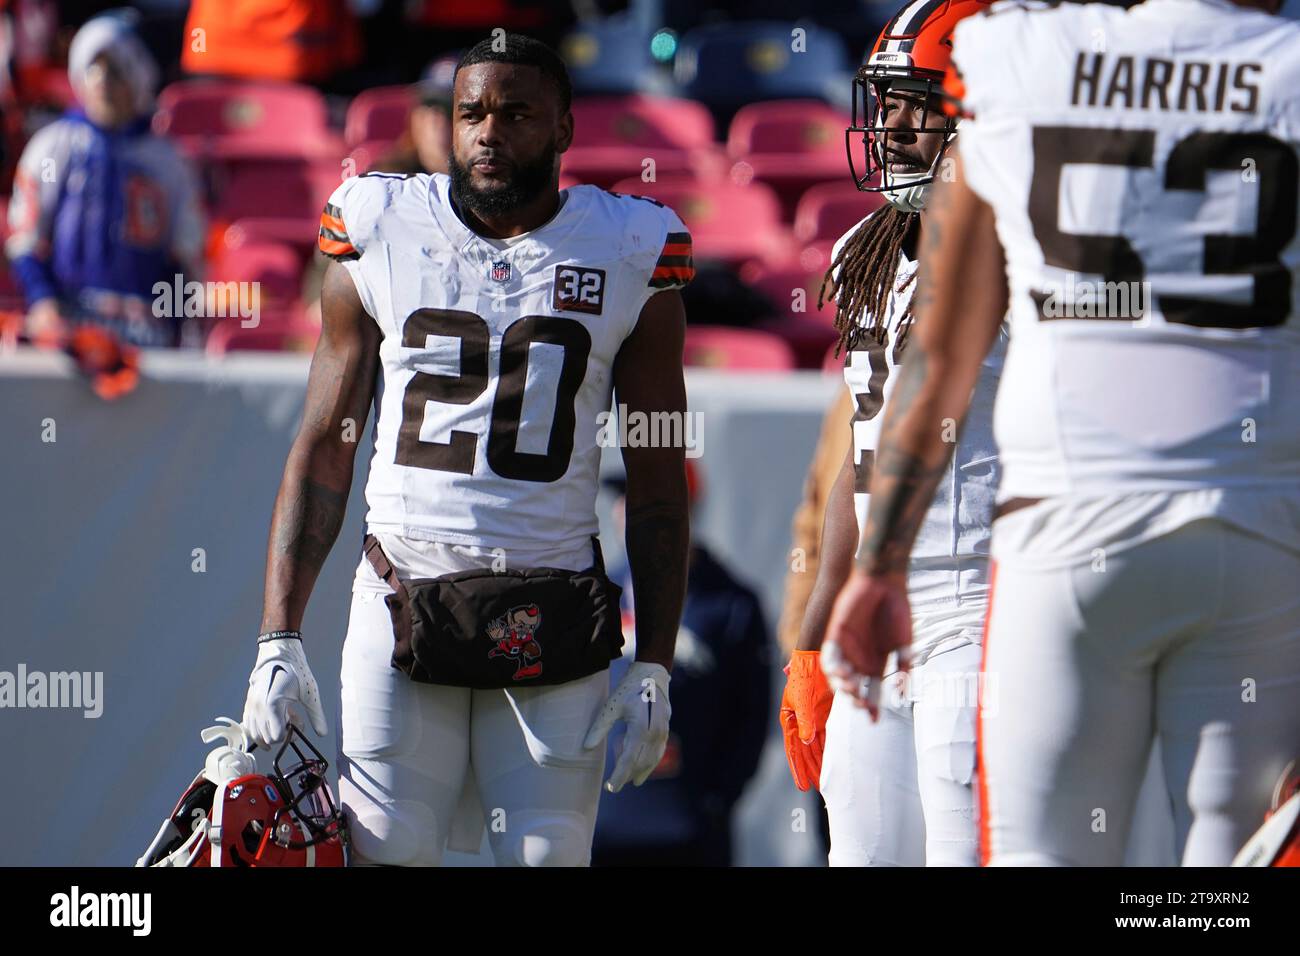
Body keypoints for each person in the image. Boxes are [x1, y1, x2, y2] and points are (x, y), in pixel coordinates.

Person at [826, 0, 1300, 867]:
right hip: (1254, 522)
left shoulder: (1023, 56)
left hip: (1046, 542)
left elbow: (942, 352)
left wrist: (875, 566)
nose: (895, 127)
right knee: (1229, 866)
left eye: (917, 102)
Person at [240, 33, 694, 867]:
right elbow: (324, 445)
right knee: (388, 852)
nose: (488, 133)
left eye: (516, 114)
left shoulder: (630, 247)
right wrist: (280, 635)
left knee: (545, 860)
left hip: (553, 612)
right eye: (471, 113)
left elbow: (661, 480)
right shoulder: (378, 224)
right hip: (402, 591)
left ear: (563, 128)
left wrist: (654, 662)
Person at [781, 0, 1004, 866]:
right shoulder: (863, 252)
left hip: (981, 604)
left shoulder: (1025, 250)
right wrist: (810, 635)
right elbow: (856, 470)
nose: (899, 129)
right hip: (872, 616)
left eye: (923, 106)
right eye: (891, 104)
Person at [592, 465, 771, 866]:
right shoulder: (598, 593)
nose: (625, 511)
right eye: (623, 501)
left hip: (691, 829)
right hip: (603, 828)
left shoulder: (732, 603)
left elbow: (752, 717)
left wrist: (716, 799)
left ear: (684, 509)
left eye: (640, 501)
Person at [4, 12, 205, 348]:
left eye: (116, 72)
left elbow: (185, 251)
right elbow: (24, 238)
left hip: (143, 329)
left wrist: (173, 325)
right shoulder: (54, 145)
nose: (103, 83)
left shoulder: (168, 162)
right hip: (68, 322)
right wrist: (43, 302)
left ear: (138, 78)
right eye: (94, 70)